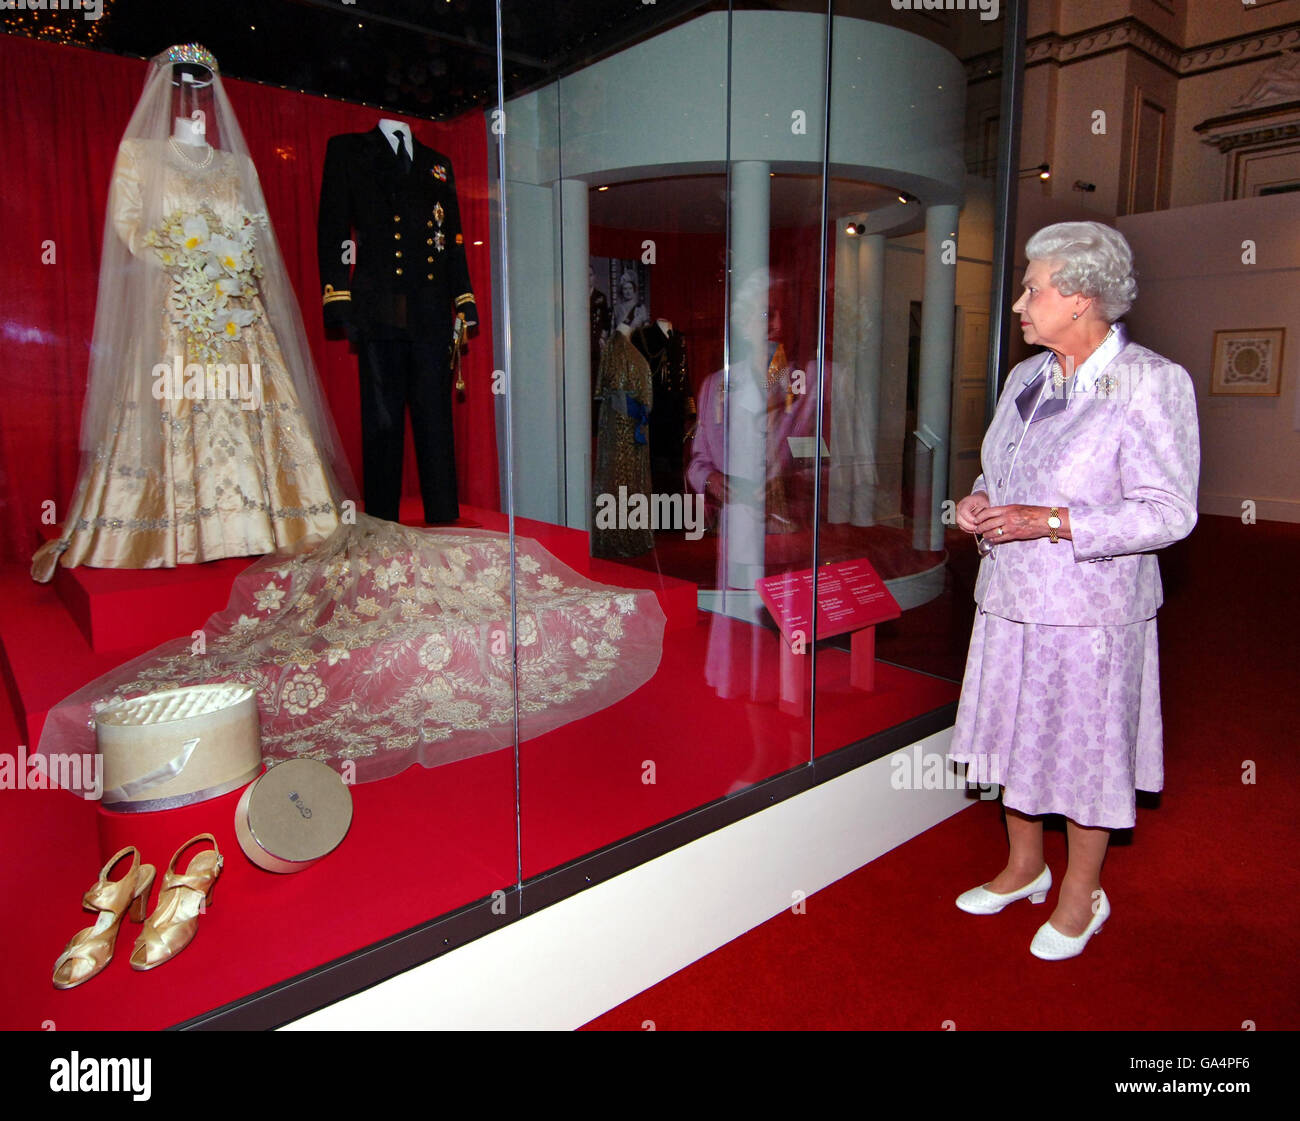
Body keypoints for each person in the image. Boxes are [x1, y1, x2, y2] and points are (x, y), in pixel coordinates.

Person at [949, 221, 1199, 960]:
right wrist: (976, 502)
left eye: (1034, 288)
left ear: (1082, 299)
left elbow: (1169, 510)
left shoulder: (1152, 382)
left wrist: (1052, 521)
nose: (1021, 303)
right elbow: (1003, 477)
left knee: (1085, 754)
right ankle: (1025, 866)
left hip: (1092, 612)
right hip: (1009, 599)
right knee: (1012, 737)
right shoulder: (1025, 377)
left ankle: (1082, 894)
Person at [32, 45, 352, 583]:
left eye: (203, 84)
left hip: (236, 310)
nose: (192, 93)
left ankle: (261, 521)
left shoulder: (238, 166)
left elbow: (258, 236)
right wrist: (187, 262)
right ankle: (169, 526)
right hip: (173, 308)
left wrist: (231, 268)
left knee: (249, 400)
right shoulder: (140, 155)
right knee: (172, 400)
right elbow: (130, 226)